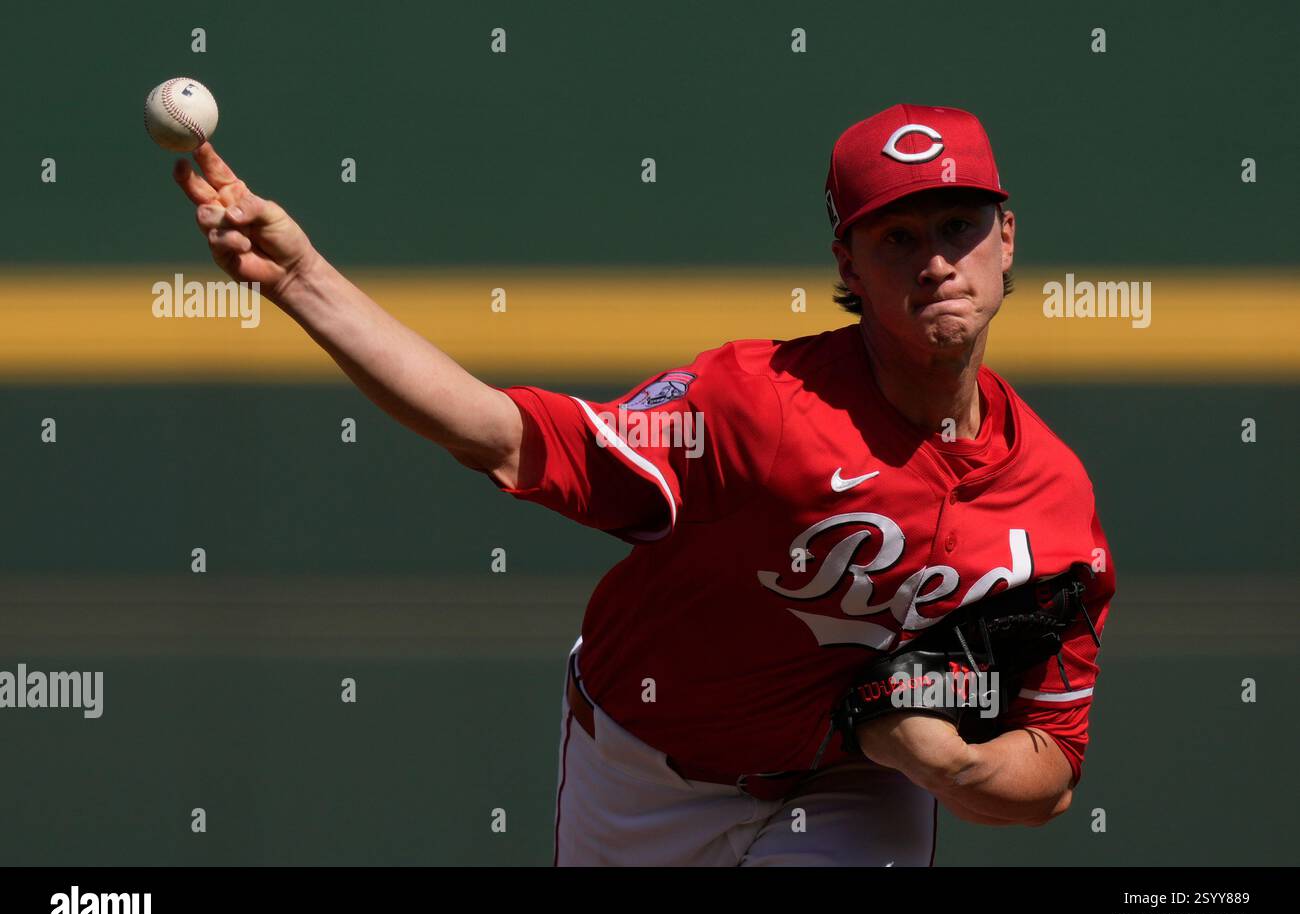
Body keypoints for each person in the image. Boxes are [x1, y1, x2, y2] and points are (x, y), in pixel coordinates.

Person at [170, 102, 1116, 867]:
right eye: (897, 237)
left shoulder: (1055, 503)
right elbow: (502, 438)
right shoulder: (754, 404)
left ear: (1007, 237)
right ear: (849, 268)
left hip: (846, 786)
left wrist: (946, 764)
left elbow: (1054, 770)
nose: (937, 260)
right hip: (640, 769)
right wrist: (300, 281)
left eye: (961, 225)